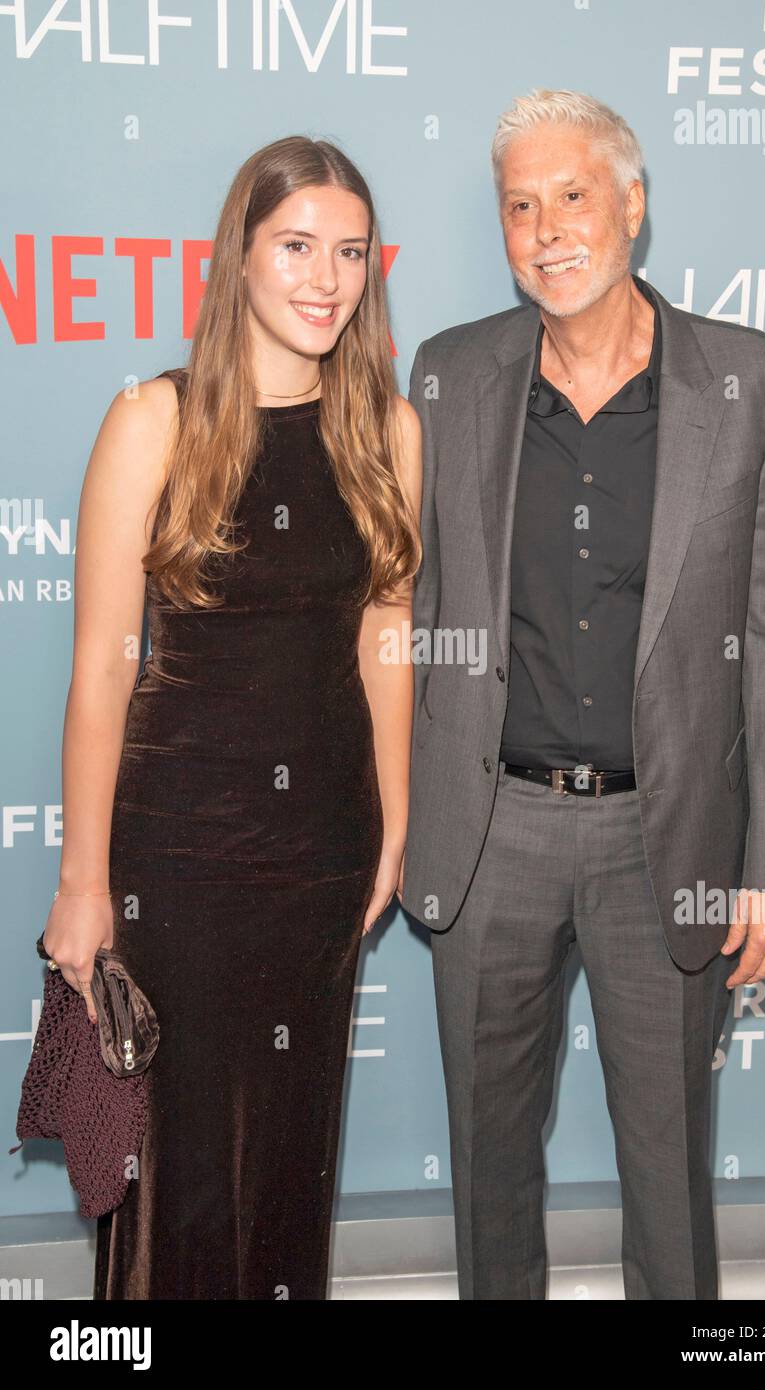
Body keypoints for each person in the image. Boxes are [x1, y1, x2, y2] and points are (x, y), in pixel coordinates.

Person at [399, 89, 765, 1299]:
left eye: (572, 194)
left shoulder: (757, 388)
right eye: (518, 205)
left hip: (669, 839)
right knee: (486, 1170)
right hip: (491, 832)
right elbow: (410, 614)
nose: (546, 228)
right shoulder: (447, 377)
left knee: (667, 1169)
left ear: (632, 203)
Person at [43, 134, 421, 1300]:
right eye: (295, 246)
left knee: (294, 1146)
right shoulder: (154, 420)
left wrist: (392, 831)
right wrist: (84, 881)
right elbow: (104, 671)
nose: (323, 278)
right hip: (179, 850)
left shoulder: (387, 434)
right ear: (240, 260)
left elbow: (386, 642)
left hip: (321, 851)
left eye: (348, 252)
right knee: (177, 1160)